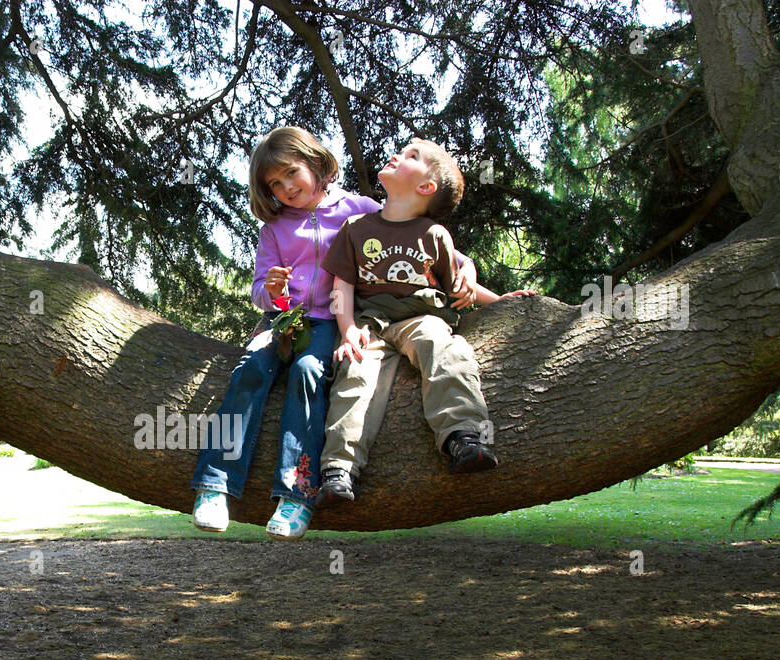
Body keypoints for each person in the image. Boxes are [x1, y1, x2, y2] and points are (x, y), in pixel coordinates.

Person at [190, 127, 481, 539]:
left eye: (291, 173)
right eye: (274, 183)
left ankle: (296, 495)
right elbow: (258, 292)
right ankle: (214, 484)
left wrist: (465, 266)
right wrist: (271, 291)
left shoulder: (357, 208)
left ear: (316, 163)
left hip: (329, 322)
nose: (286, 187)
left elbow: (412, 235)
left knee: (309, 373)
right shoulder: (274, 229)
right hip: (281, 321)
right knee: (250, 370)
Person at [316, 139, 534, 507]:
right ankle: (339, 469)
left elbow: (460, 287)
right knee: (353, 375)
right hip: (371, 322)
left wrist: (499, 300)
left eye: (412, 156)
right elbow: (343, 286)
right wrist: (348, 327)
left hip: (423, 316)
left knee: (446, 349)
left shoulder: (434, 235)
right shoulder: (355, 228)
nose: (397, 154)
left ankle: (463, 437)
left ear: (426, 188)